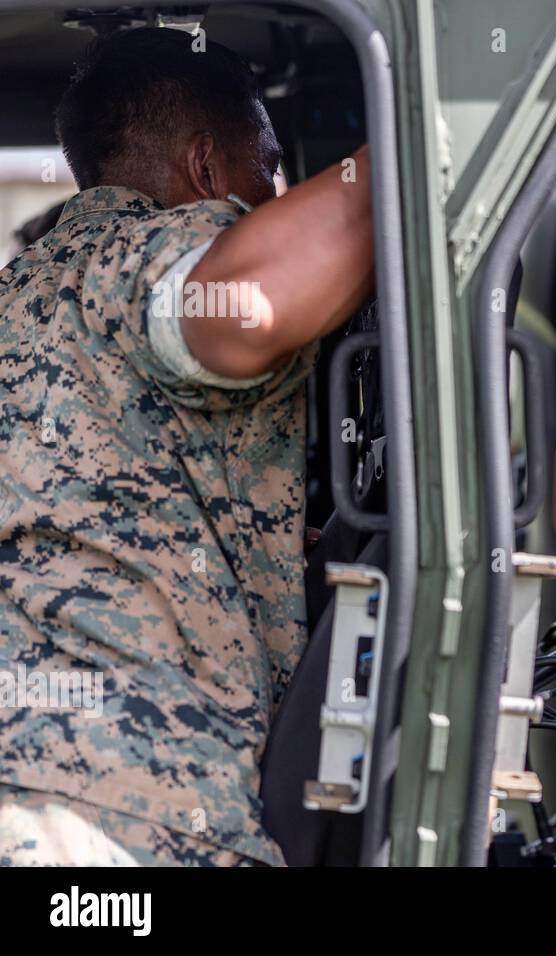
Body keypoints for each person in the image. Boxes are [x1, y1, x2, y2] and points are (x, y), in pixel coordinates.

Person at [0, 27, 372, 865]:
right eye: (267, 168)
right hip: (128, 820)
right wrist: (419, 142)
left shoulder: (22, 292)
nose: (272, 192)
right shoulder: (139, 257)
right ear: (206, 171)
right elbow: (250, 301)